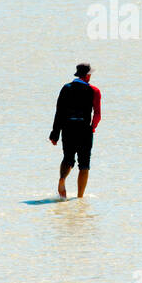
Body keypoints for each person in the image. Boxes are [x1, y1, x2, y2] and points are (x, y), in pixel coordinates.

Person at [49, 63, 102, 199]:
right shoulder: (94, 91)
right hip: (84, 129)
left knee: (68, 158)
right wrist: (93, 127)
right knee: (84, 164)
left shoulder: (66, 88)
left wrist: (55, 134)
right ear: (87, 75)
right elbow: (97, 114)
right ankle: (80, 197)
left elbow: (59, 112)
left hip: (68, 128)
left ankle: (62, 179)